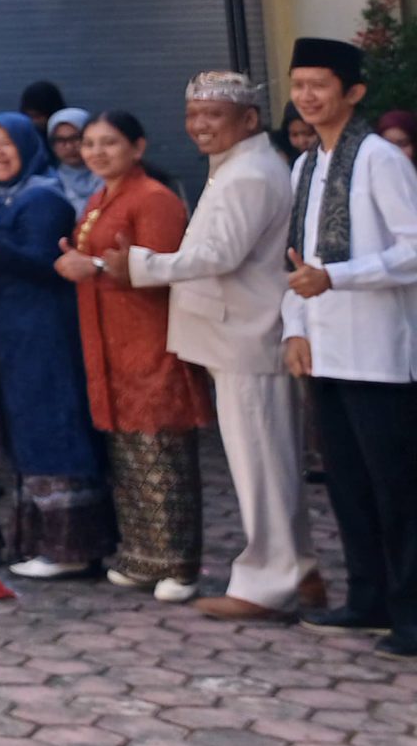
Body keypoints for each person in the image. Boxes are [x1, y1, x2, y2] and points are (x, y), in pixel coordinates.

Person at [98, 73, 317, 621]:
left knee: (262, 465)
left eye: (213, 115)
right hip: (237, 334)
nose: (199, 125)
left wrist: (141, 265)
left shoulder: (248, 175)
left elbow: (219, 254)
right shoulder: (239, 168)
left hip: (246, 334)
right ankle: (298, 568)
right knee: (268, 463)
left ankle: (269, 582)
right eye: (193, 114)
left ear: (249, 120)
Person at [280, 35, 417, 655]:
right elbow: (295, 261)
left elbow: (413, 249)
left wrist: (339, 276)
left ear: (353, 92)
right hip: (325, 349)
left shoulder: (381, 161)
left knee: (397, 488)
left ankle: (411, 615)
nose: (306, 96)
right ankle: (367, 601)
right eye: (298, 84)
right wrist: (294, 329)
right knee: (347, 484)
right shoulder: (305, 164)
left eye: (320, 85)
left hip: (380, 351)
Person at [55, 110, 209, 601]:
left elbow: (162, 268)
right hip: (111, 341)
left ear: (138, 148)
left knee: (163, 454)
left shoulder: (154, 199)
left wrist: (93, 264)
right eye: (90, 143)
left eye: (110, 143)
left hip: (150, 338)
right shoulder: (100, 198)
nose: (97, 152)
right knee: (129, 457)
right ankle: (143, 555)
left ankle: (179, 564)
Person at [0, 113, 110, 580]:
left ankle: (72, 548)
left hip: (43, 332)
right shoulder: (2, 197)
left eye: (7, 144)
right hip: (14, 333)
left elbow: (50, 264)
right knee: (29, 432)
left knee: (54, 427)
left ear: (28, 146)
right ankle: (43, 541)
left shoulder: (42, 198)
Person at [45, 108, 103, 209]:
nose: (69, 146)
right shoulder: (50, 185)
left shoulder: (111, 178)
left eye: (76, 138)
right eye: (60, 140)